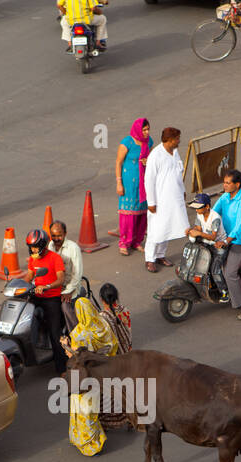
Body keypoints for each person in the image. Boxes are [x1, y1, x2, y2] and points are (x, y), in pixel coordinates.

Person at [64, 296, 118, 456]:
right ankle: (95, 439)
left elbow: (73, 357)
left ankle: (90, 443)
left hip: (83, 377)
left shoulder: (79, 334)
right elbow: (112, 345)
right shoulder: (103, 325)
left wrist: (65, 345)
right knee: (92, 408)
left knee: (83, 410)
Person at [23, 229, 69, 375]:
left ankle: (62, 369)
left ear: (43, 245)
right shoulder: (32, 259)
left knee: (55, 334)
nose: (33, 250)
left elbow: (60, 279)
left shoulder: (55, 258)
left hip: (51, 297)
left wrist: (47, 287)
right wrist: (19, 286)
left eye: (35, 247)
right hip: (36, 295)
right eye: (31, 247)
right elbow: (29, 276)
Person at [211, 170, 241, 320]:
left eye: (228, 183)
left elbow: (239, 226)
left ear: (237, 185)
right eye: (224, 182)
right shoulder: (224, 197)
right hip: (224, 238)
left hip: (238, 241)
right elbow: (213, 214)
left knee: (229, 272)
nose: (224, 185)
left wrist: (226, 241)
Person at [142, 126, 187, 274]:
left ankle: (160, 255)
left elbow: (178, 173)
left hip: (174, 198)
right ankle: (150, 258)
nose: (179, 141)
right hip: (160, 200)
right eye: (177, 139)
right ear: (169, 140)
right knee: (156, 229)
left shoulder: (174, 152)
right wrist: (151, 202)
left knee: (167, 228)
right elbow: (149, 180)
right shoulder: (156, 155)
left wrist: (183, 191)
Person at [115, 118, 152, 255]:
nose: (146, 132)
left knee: (142, 213)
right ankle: (124, 242)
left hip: (143, 182)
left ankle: (137, 241)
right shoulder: (127, 143)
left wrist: (147, 161)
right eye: (144, 130)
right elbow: (118, 162)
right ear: (138, 129)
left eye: (148, 129)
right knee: (128, 214)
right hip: (128, 182)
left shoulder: (149, 142)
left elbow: (151, 158)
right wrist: (119, 182)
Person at [49, 222, 85, 330]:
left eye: (59, 235)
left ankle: (76, 336)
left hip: (71, 287)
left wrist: (68, 291)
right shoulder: (50, 245)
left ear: (65, 234)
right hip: (55, 286)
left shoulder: (73, 248)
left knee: (65, 306)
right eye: (53, 236)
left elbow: (77, 273)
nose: (56, 239)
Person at [95, 282, 132, 356]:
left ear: (101, 299)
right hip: (127, 348)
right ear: (116, 296)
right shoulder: (124, 309)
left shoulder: (102, 317)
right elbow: (128, 329)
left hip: (115, 355)